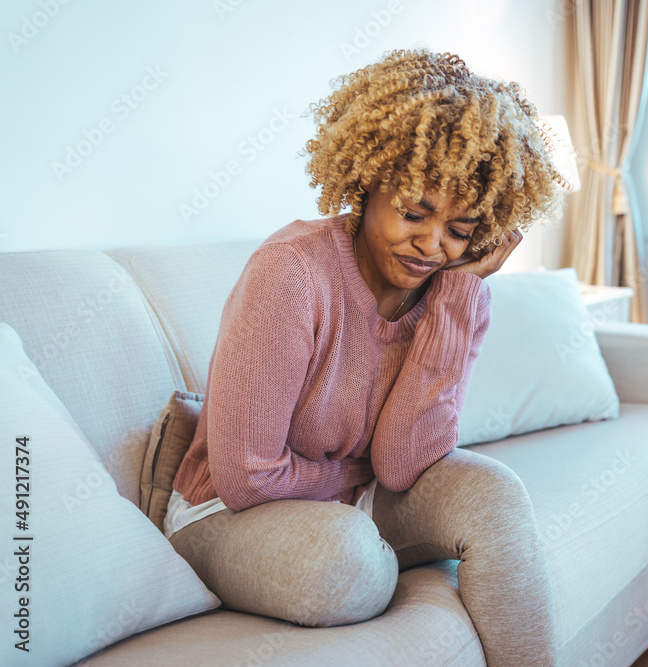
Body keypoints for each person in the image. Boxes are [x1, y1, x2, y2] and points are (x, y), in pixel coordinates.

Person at [164, 48, 569, 665]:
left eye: (461, 230)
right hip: (229, 513)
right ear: (368, 180)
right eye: (415, 212)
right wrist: (357, 482)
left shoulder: (456, 295)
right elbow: (247, 475)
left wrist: (457, 295)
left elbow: (404, 466)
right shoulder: (294, 274)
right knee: (345, 560)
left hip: (354, 501)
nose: (432, 244)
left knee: (495, 494)